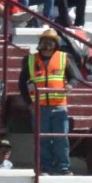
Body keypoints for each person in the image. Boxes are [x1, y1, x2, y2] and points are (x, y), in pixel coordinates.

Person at [23, 30, 72, 174]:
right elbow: (22, 83)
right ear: (40, 43)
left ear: (56, 43)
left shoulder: (64, 58)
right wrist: (29, 103)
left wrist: (70, 85)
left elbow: (75, 77)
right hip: (39, 107)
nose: (47, 43)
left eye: (51, 40)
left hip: (59, 106)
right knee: (42, 140)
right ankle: (44, 167)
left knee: (61, 139)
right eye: (45, 40)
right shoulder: (30, 60)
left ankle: (63, 167)